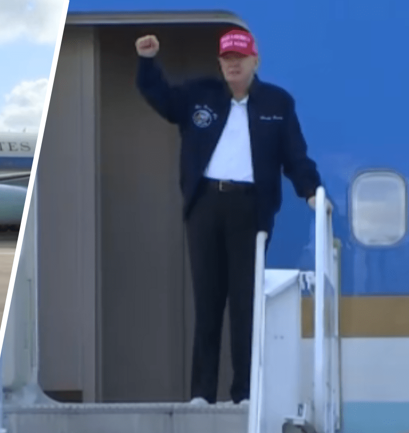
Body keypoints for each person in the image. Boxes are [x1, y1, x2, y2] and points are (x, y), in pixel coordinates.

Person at [135, 28, 329, 405]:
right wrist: (146, 62)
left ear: (256, 61)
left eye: (240, 58)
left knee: (245, 304)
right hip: (205, 206)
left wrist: (311, 192)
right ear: (220, 63)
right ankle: (201, 394)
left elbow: (295, 156)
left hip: (250, 209)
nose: (233, 64)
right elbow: (159, 97)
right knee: (208, 302)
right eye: (227, 58)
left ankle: (244, 393)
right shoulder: (199, 95)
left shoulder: (277, 102)